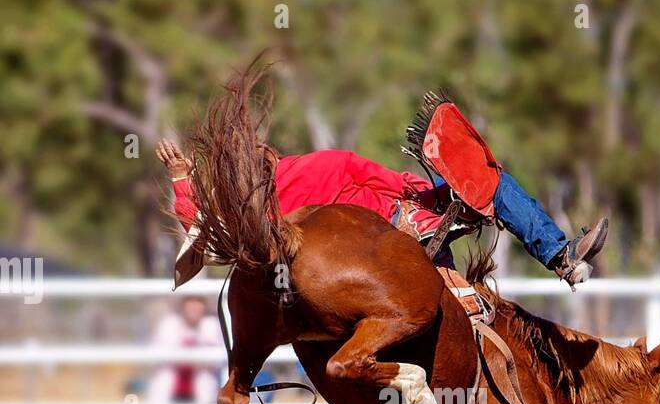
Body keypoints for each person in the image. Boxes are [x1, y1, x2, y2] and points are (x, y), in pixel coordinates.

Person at [155, 93, 607, 287]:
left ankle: (562, 258)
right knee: (494, 184)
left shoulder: (306, 172)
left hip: (397, 218)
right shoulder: (256, 208)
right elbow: (203, 234)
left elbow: (200, 235)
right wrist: (180, 180)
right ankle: (561, 258)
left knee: (490, 182)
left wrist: (181, 180)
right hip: (392, 226)